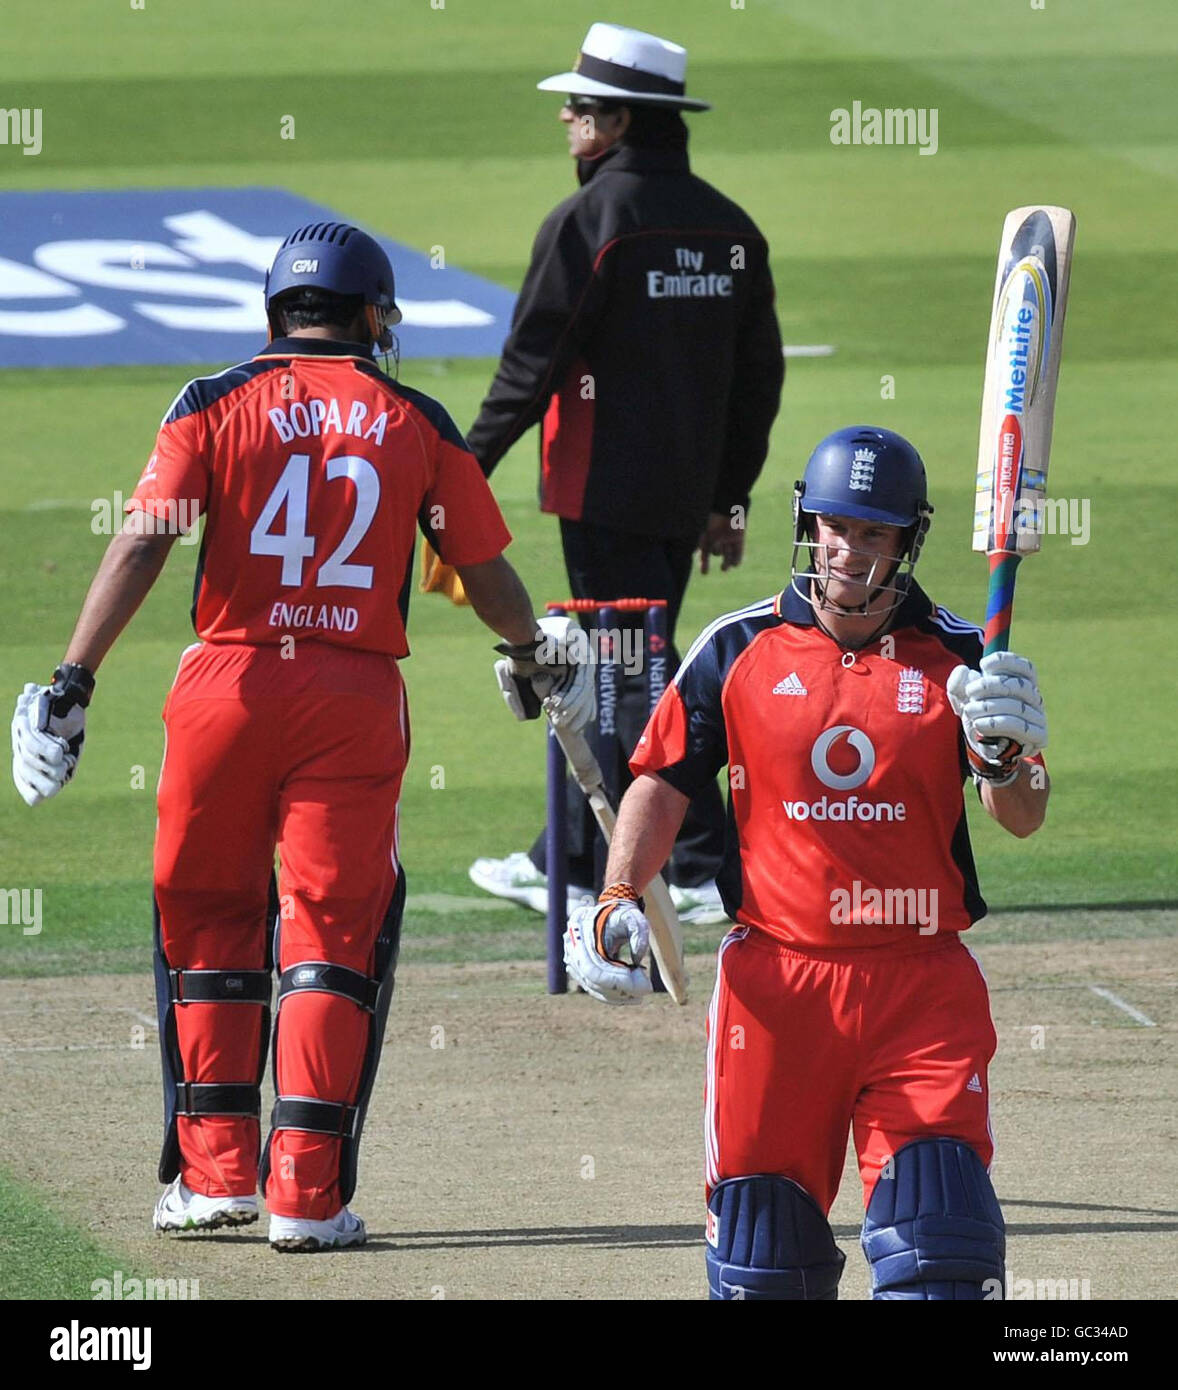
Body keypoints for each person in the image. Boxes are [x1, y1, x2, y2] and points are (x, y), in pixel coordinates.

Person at [10, 223, 590, 1253]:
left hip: (222, 689)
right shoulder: (413, 417)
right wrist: (532, 644)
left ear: (278, 311)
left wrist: (72, 681)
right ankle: (304, 1200)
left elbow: (145, 540)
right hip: (351, 693)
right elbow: (483, 569)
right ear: (371, 315)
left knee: (205, 921)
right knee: (330, 935)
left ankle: (213, 1177)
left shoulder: (209, 399)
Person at [564, 425, 1050, 1299]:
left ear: (907, 542)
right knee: (762, 1264)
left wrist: (1003, 759)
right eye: (835, 525)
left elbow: (1021, 818)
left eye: (873, 533)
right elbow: (662, 780)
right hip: (777, 992)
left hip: (921, 989)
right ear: (807, 522)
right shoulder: (734, 648)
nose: (849, 549)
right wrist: (617, 894)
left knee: (942, 1252)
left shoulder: (968, 660)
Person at [466, 22, 784, 926]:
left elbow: (529, 369)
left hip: (602, 492)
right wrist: (726, 498)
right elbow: (756, 384)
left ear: (618, 121)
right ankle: (569, 854)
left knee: (625, 669)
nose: (565, 116)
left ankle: (693, 858)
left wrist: (456, 473)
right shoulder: (729, 229)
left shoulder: (589, 222)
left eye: (579, 105)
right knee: (625, 664)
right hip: (682, 497)